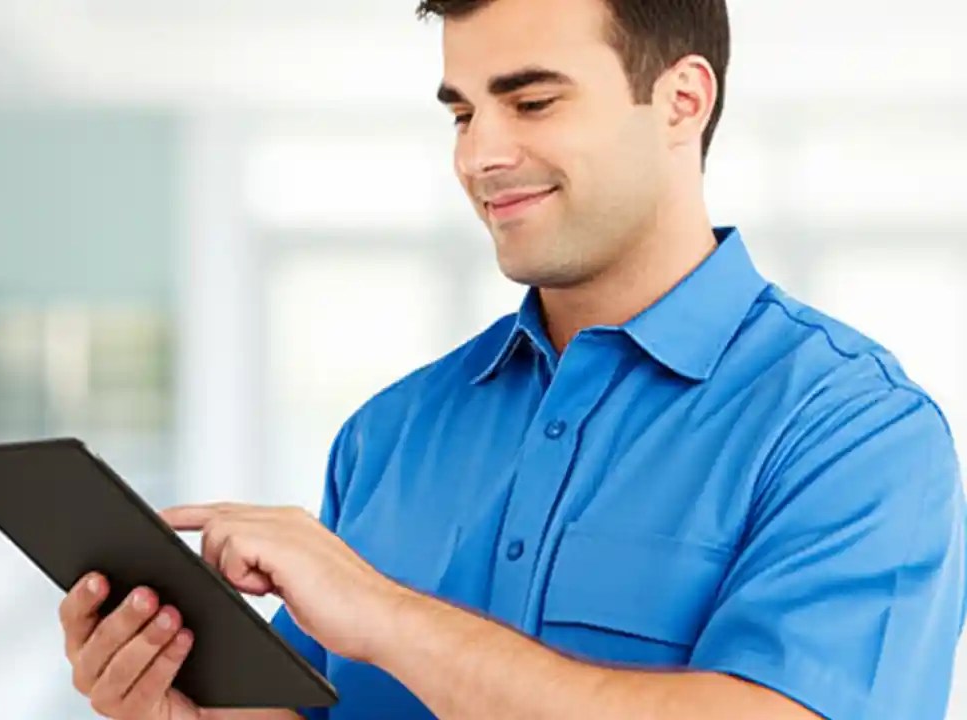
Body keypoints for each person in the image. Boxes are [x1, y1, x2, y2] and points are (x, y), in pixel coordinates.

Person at [58, 0, 967, 717]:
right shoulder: (388, 434)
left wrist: (386, 615)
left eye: (532, 103)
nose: (479, 155)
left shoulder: (858, 433)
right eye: (463, 112)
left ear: (682, 101)